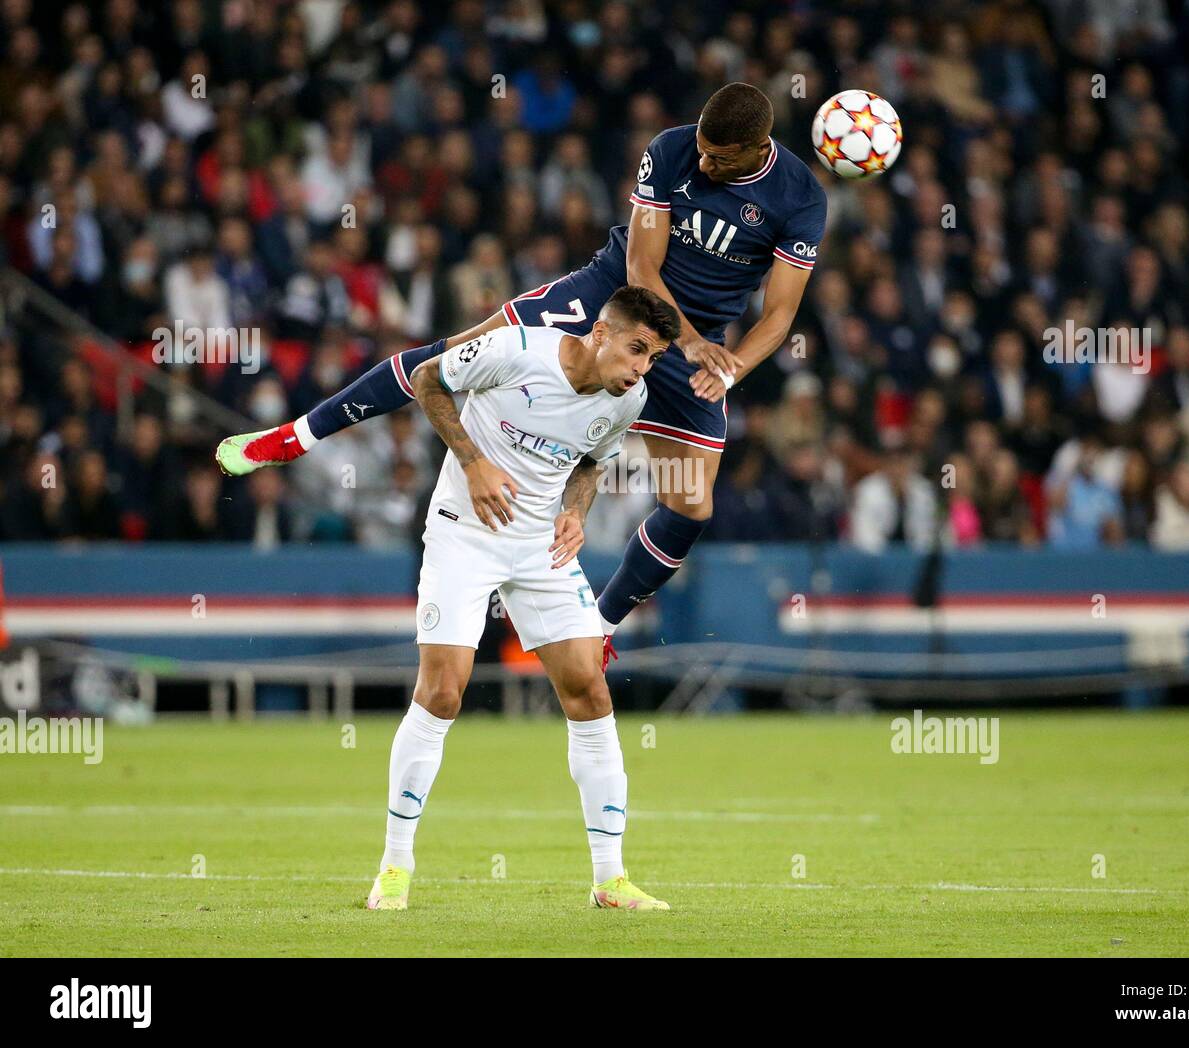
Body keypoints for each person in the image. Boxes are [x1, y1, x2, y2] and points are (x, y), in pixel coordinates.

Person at [215, 82, 827, 669]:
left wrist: (731, 367)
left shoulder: (800, 198)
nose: (704, 160)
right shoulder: (672, 148)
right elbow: (642, 265)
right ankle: (292, 437)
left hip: (690, 347)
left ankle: (602, 626)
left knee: (691, 505)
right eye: (701, 148)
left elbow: (779, 314)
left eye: (718, 158)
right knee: (445, 358)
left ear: (754, 149)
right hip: (609, 300)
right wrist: (689, 343)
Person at [365, 286, 678, 911]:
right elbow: (428, 379)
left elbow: (591, 462)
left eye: (654, 357)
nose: (643, 368)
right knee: (444, 689)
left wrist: (576, 512)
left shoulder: (629, 397)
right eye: (638, 350)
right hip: (464, 530)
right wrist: (474, 463)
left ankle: (609, 880)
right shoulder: (518, 350)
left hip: (540, 547)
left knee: (589, 688)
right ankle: (394, 868)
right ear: (601, 333)